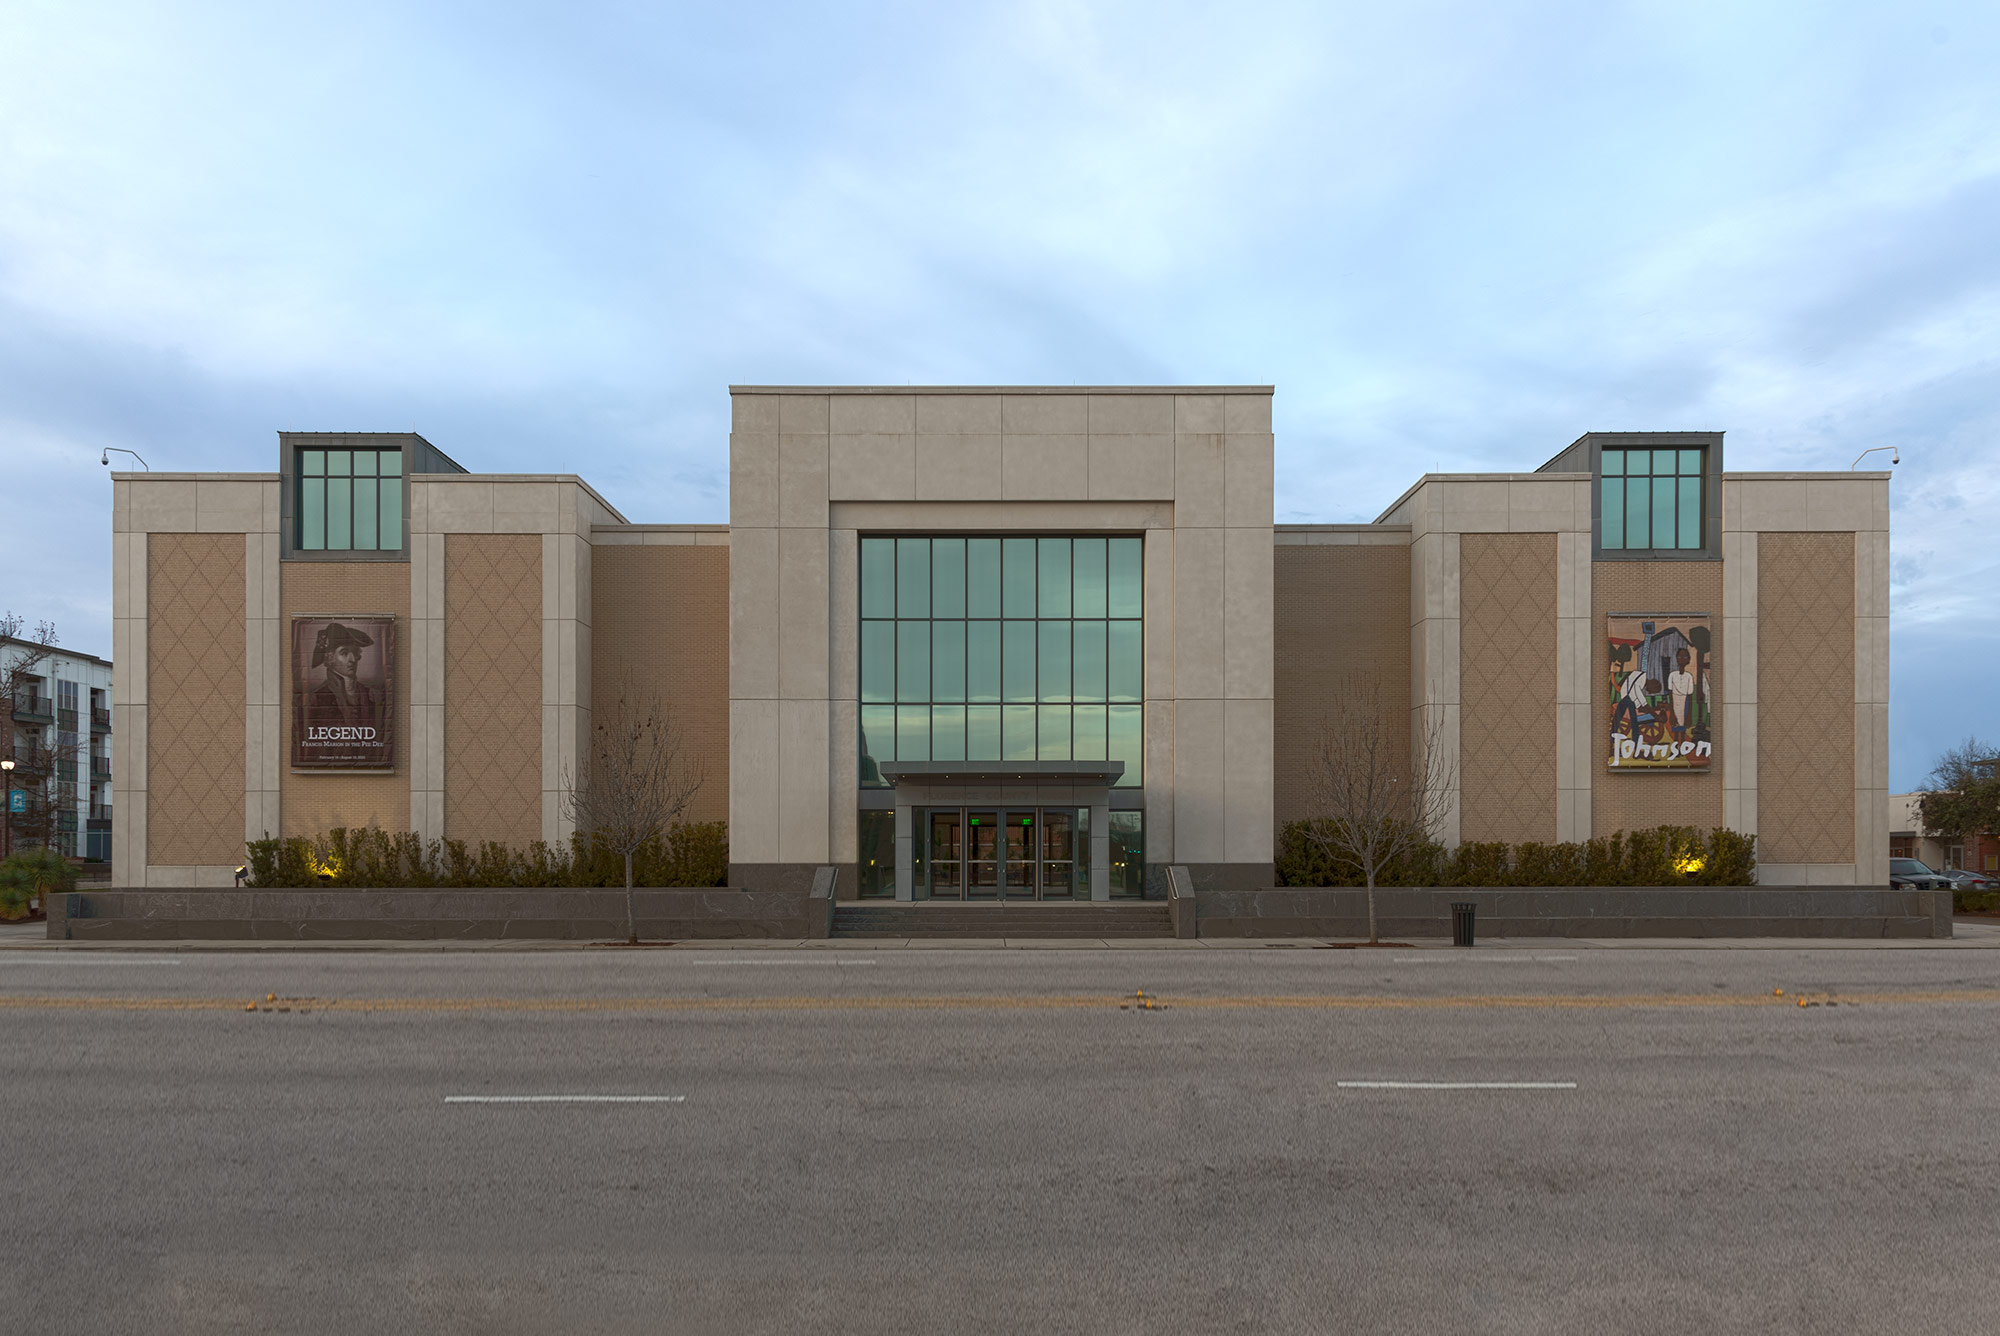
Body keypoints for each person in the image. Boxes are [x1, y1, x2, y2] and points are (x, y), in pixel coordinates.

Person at [308, 622, 377, 730]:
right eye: (344, 653)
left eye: (355, 652)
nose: (353, 659)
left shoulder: (370, 694)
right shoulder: (317, 698)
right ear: (330, 658)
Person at [1667, 647, 1696, 740]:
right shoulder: (1672, 675)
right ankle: (1675, 747)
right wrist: (1671, 713)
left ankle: (1682, 744)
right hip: (1675, 701)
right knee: (1675, 725)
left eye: (1684, 657)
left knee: (1683, 725)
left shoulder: (1689, 676)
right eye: (1679, 656)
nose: (1681, 659)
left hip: (1685, 701)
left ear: (1688, 659)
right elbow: (1670, 694)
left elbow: (1690, 696)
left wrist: (1689, 715)